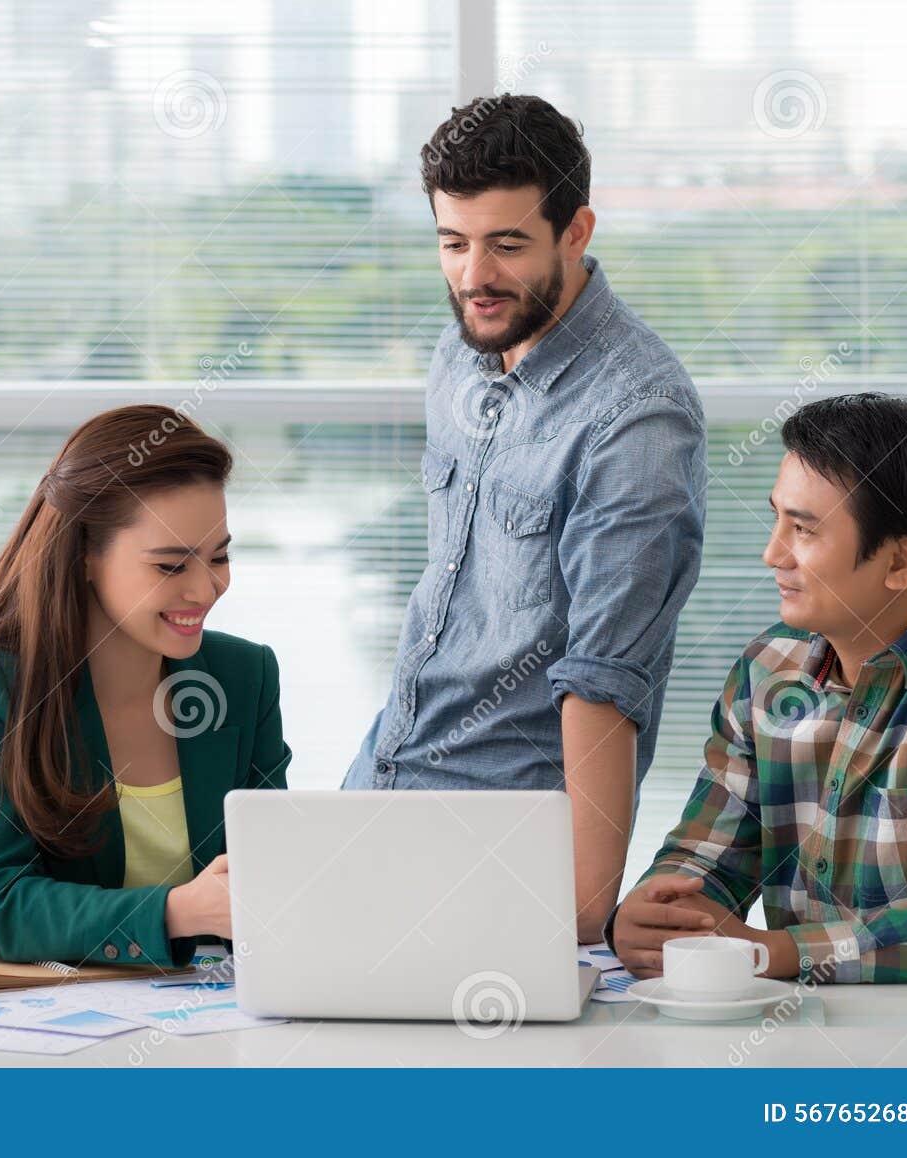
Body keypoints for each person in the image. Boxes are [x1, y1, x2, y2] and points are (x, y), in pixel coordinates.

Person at [343, 94, 706, 943]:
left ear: (576, 232)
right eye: (453, 242)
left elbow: (605, 684)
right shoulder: (462, 349)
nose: (474, 276)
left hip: (499, 849)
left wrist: (577, 918)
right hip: (377, 792)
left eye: (507, 245)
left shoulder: (639, 419)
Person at [612, 393, 907, 983]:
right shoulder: (768, 669)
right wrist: (657, 915)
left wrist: (779, 952)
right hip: (809, 1021)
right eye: (776, 520)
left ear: (899, 562)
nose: (772, 554)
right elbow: (706, 862)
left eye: (803, 530)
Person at [0, 405, 292, 965]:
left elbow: (269, 874)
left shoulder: (244, 677)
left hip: (197, 1000)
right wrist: (178, 911)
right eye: (170, 566)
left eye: (219, 556)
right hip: (21, 1001)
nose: (207, 588)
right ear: (84, 554)